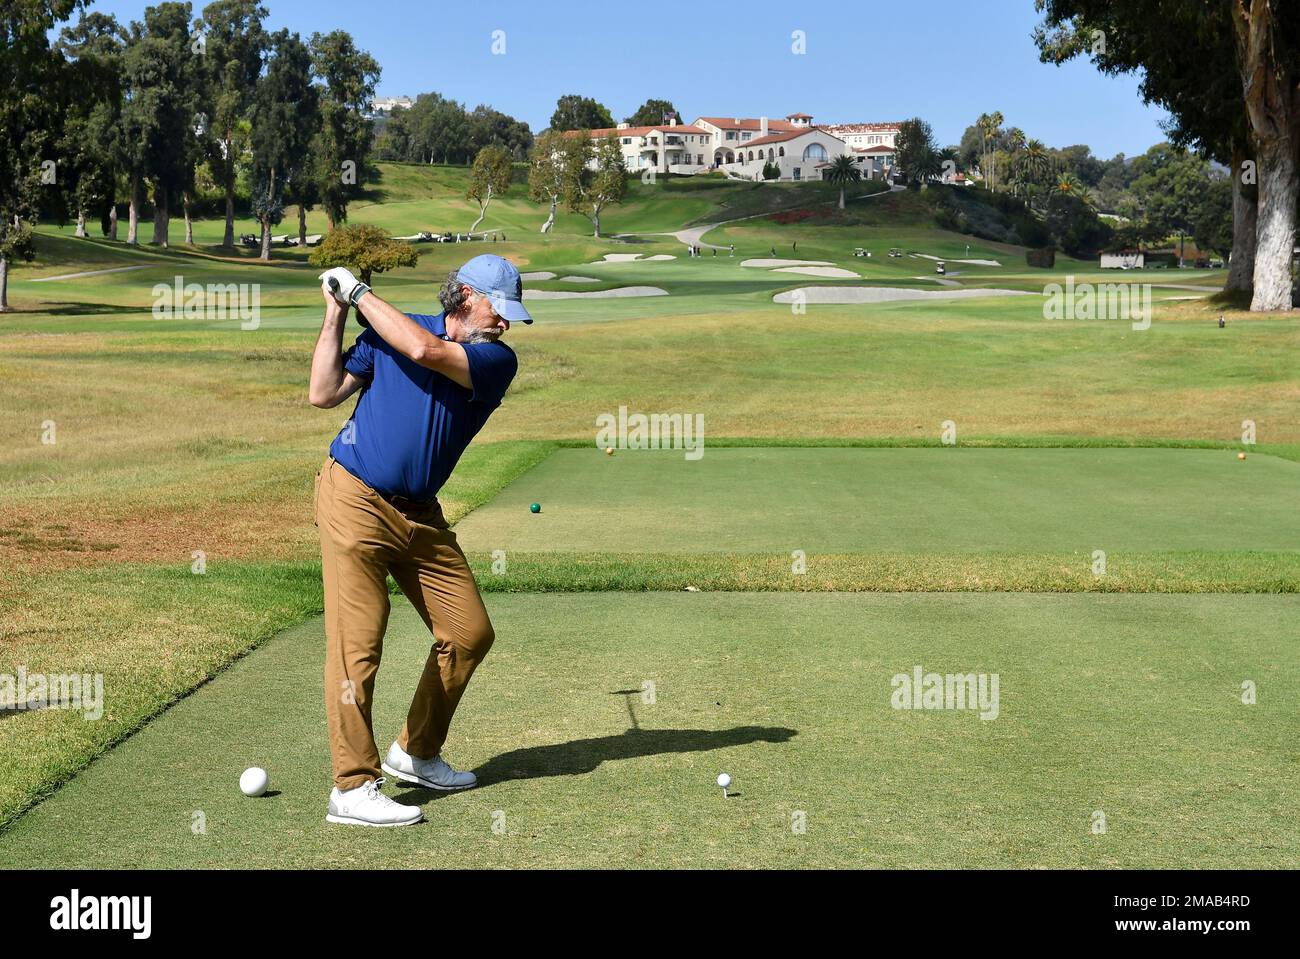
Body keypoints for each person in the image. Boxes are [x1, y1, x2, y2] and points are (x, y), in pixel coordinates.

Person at [309, 254, 531, 827]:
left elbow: (426, 352)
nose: (505, 323)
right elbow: (323, 392)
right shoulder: (388, 330)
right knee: (358, 642)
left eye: (510, 315)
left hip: (422, 517)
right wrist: (336, 314)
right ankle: (352, 787)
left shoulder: (493, 360)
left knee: (469, 633)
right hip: (353, 497)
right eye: (498, 309)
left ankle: (415, 751)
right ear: (463, 295)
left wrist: (358, 293)